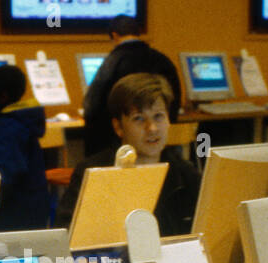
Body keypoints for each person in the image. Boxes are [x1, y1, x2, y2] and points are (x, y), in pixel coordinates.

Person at [55, 73, 199, 237]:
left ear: (168, 121)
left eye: (158, 116)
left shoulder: (186, 174)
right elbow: (67, 234)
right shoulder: (93, 172)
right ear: (119, 127)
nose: (151, 128)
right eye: (138, 119)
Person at [82, 15, 183, 156]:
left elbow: (92, 107)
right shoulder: (163, 60)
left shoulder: (112, 63)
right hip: (164, 149)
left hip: (118, 150)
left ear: (114, 35)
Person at [0, 64, 50, 231]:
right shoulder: (25, 121)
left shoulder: (6, 129)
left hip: (15, 215)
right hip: (36, 207)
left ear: (2, 96)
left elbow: (1, 176)